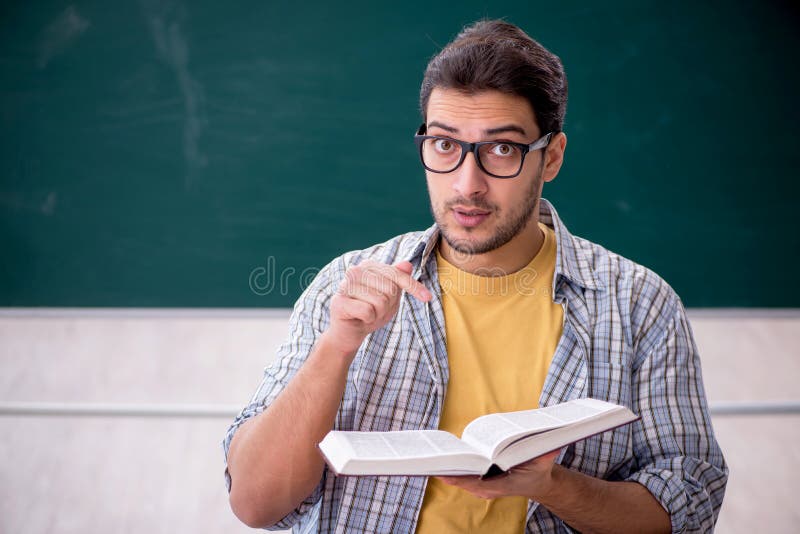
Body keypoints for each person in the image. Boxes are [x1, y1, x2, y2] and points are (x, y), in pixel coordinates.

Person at [222, 19, 728, 533]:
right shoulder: (344, 286)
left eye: (502, 149)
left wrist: (552, 486)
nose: (468, 184)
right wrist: (336, 346)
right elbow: (254, 503)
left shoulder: (640, 306)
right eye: (445, 145)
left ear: (550, 157)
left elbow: (688, 511)